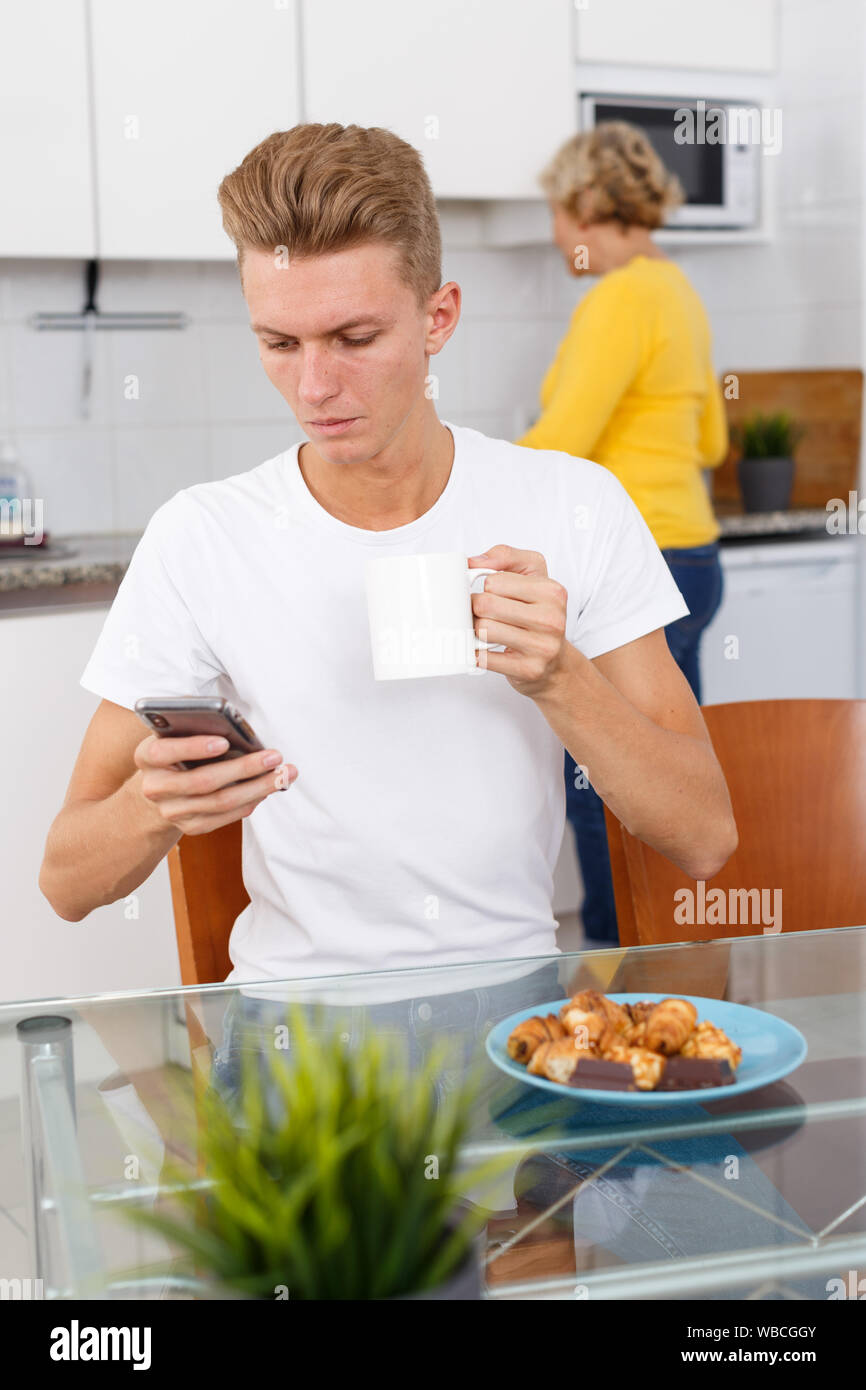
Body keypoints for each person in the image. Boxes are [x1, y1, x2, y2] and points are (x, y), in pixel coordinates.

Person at [39, 122, 736, 991]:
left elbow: (704, 836)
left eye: (355, 339)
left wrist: (560, 675)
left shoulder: (573, 505)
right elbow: (65, 883)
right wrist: (155, 806)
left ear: (438, 316)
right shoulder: (201, 536)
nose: (315, 388)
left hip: (512, 1026)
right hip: (297, 1040)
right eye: (280, 344)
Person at [518, 121, 729, 946]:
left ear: (586, 205)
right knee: (676, 770)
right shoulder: (678, 289)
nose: (555, 231)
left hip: (633, 565)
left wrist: (470, 479)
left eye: (557, 212)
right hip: (696, 556)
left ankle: (622, 967)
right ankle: (683, 960)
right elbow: (710, 442)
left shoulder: (618, 298)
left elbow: (561, 437)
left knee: (602, 771)